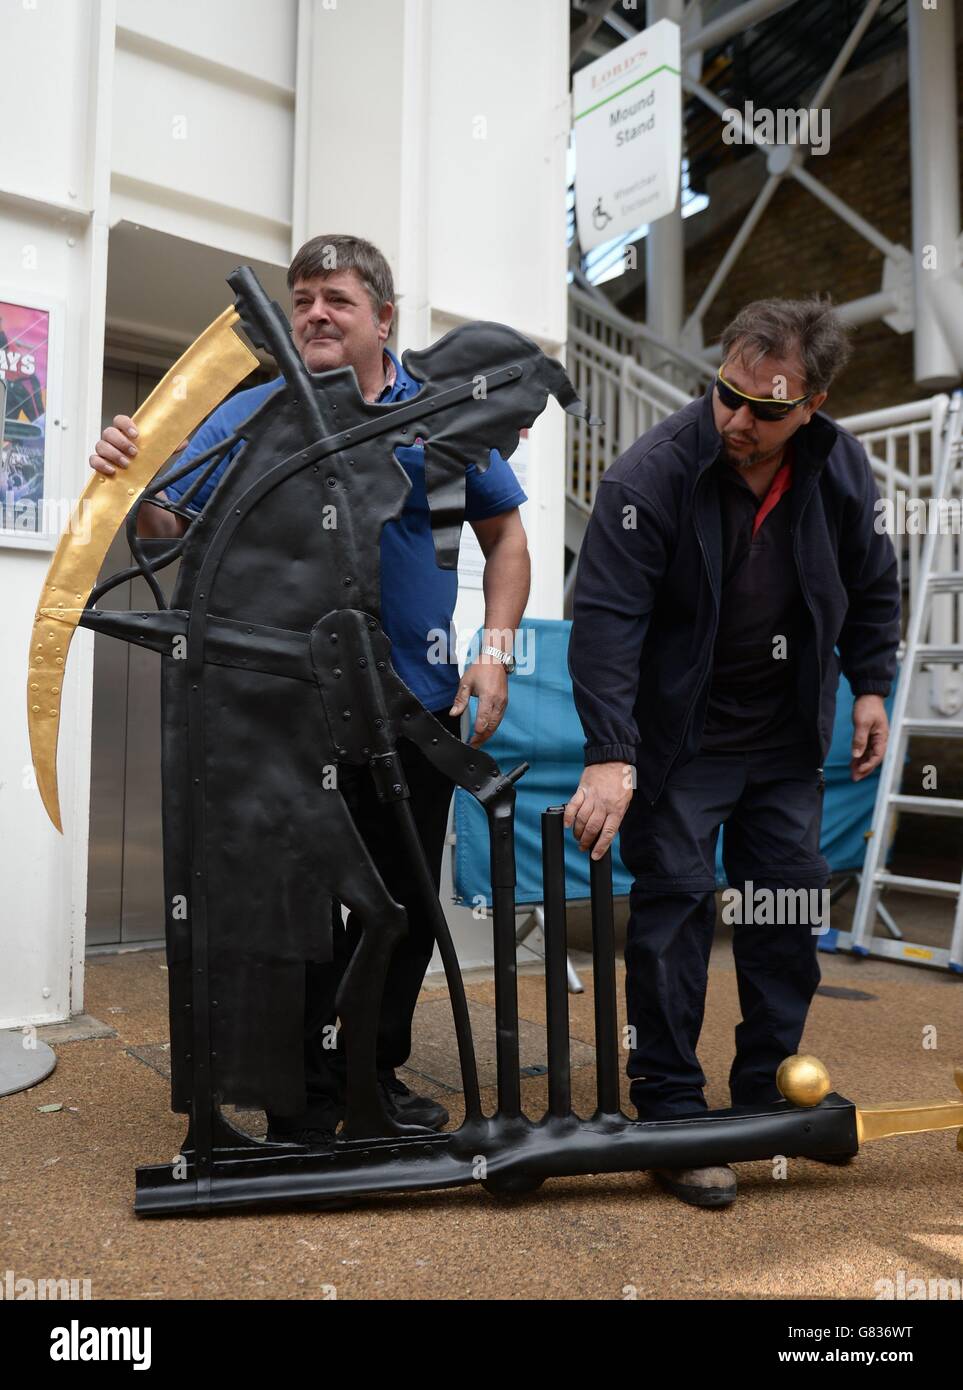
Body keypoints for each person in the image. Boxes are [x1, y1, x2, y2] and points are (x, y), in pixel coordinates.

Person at [89, 234, 530, 1145]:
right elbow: (171, 516)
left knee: (402, 904)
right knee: (293, 910)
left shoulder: (444, 415)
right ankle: (304, 1092)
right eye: (302, 300)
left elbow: (508, 539)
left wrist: (492, 650)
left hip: (413, 704)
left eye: (336, 298)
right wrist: (136, 471)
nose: (316, 314)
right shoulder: (254, 411)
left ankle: (371, 1072)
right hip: (288, 710)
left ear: (383, 319)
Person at [565, 298, 900, 1209]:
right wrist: (611, 754)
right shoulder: (651, 476)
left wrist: (868, 682)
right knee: (673, 914)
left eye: (766, 408)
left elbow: (873, 577)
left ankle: (765, 1092)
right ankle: (673, 1113)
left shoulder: (840, 470)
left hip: (785, 735)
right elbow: (605, 626)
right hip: (680, 742)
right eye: (726, 395)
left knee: (785, 908)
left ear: (814, 404)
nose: (737, 420)